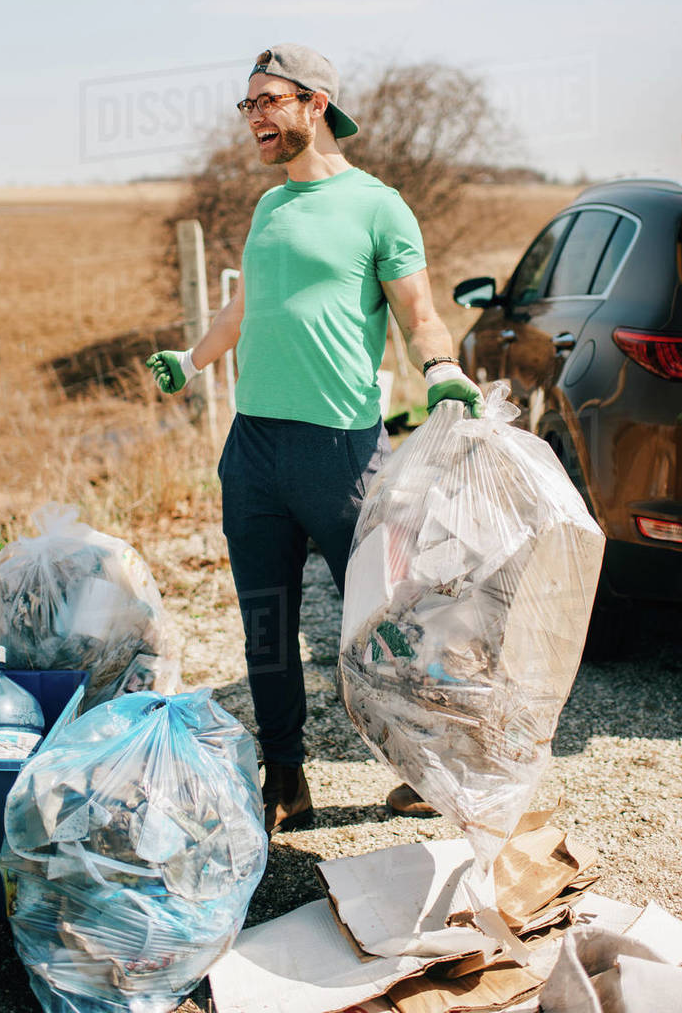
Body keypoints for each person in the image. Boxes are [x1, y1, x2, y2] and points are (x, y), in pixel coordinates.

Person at [149, 44, 483, 834]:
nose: (255, 117)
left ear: (315, 104)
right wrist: (192, 359)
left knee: (384, 621)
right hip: (254, 450)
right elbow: (245, 311)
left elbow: (417, 311)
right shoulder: (269, 210)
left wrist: (438, 366)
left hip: (340, 452)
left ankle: (417, 765)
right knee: (263, 620)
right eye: (248, 105)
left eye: (268, 101)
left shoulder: (379, 206)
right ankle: (285, 778)